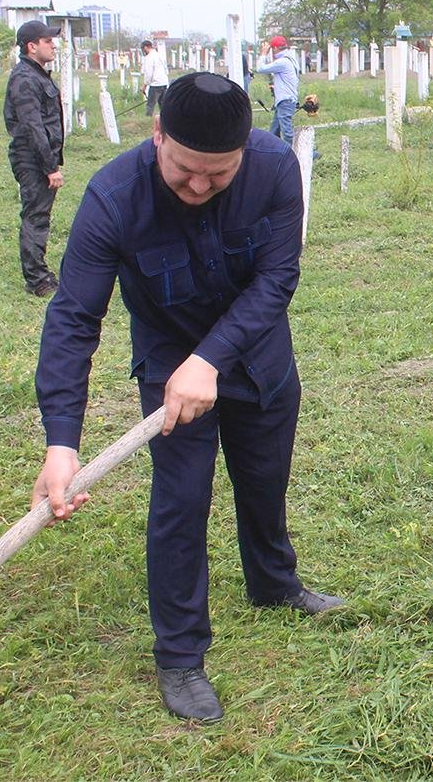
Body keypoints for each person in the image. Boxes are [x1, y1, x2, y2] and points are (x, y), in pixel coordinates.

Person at [30, 72, 343, 723]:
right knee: (180, 500)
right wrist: (61, 443)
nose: (199, 188)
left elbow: (278, 275)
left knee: (264, 478)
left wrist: (214, 359)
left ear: (243, 154)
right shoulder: (114, 197)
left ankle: (274, 583)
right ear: (157, 137)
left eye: (217, 175)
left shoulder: (274, 167)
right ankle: (179, 655)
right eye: (184, 172)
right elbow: (73, 319)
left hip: (257, 356)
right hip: (169, 365)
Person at [4, 20, 64, 297]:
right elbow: (32, 127)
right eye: (47, 41)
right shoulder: (25, 79)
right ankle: (37, 280)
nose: (53, 45)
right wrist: (50, 167)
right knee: (36, 216)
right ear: (32, 46)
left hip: (40, 156)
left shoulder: (37, 75)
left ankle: (39, 272)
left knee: (40, 214)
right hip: (32, 158)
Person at [255, 35, 298, 142]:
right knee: (273, 132)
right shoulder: (291, 59)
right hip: (285, 100)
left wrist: (264, 53)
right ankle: (273, 153)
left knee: (287, 134)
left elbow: (260, 69)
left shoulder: (282, 62)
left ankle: (306, 152)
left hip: (285, 101)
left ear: (275, 48)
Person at [141, 40, 169, 116]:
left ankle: (147, 118)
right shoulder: (159, 55)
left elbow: (149, 74)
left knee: (150, 103)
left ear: (146, 47)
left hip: (155, 83)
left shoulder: (149, 57)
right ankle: (165, 118)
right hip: (164, 82)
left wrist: (144, 85)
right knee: (163, 103)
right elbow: (166, 70)